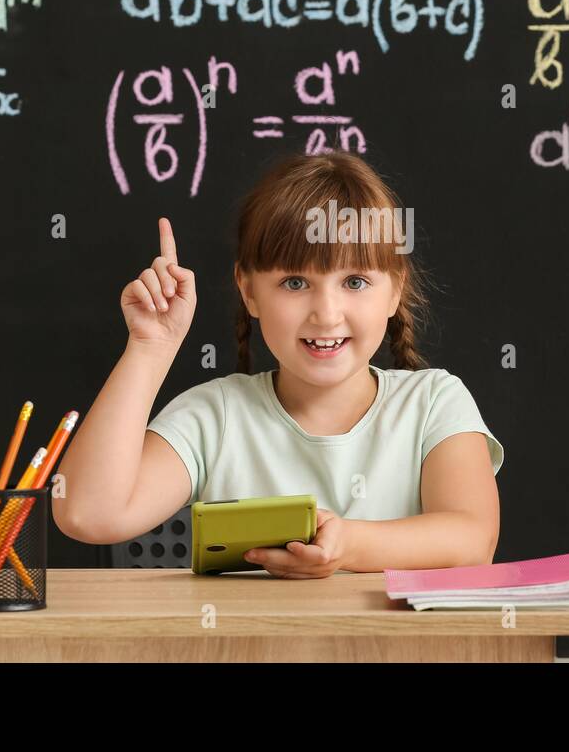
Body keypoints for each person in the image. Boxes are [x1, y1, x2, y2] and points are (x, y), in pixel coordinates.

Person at [54, 152, 503, 577]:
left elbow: (473, 538)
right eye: (294, 282)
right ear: (248, 290)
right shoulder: (217, 416)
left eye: (355, 281)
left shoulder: (434, 404)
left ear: (394, 291)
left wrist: (346, 545)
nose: (326, 313)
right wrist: (150, 347)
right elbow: (86, 514)